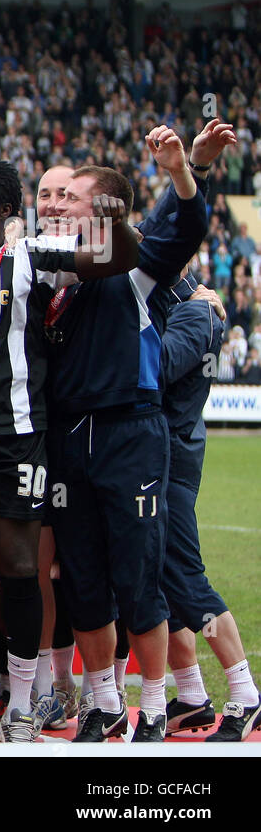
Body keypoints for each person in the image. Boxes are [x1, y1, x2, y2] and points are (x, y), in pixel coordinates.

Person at [0, 156, 140, 743]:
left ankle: (20, 702)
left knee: (21, 571)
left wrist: (115, 224)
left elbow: (116, 257)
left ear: (8, 211)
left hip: (17, 436)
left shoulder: (29, 257)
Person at [48, 127, 209, 742]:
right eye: (53, 198)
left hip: (128, 432)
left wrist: (180, 169)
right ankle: (102, 702)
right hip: (68, 438)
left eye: (73, 199)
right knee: (83, 579)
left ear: (109, 213)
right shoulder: (42, 268)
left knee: (139, 576)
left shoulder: (135, 267)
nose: (59, 207)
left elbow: (186, 226)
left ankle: (158, 707)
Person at [159, 278, 260, 741]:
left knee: (185, 575)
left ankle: (246, 694)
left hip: (171, 457)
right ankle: (194, 697)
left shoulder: (195, 311)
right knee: (163, 578)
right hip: (163, 455)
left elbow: (155, 367)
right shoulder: (185, 302)